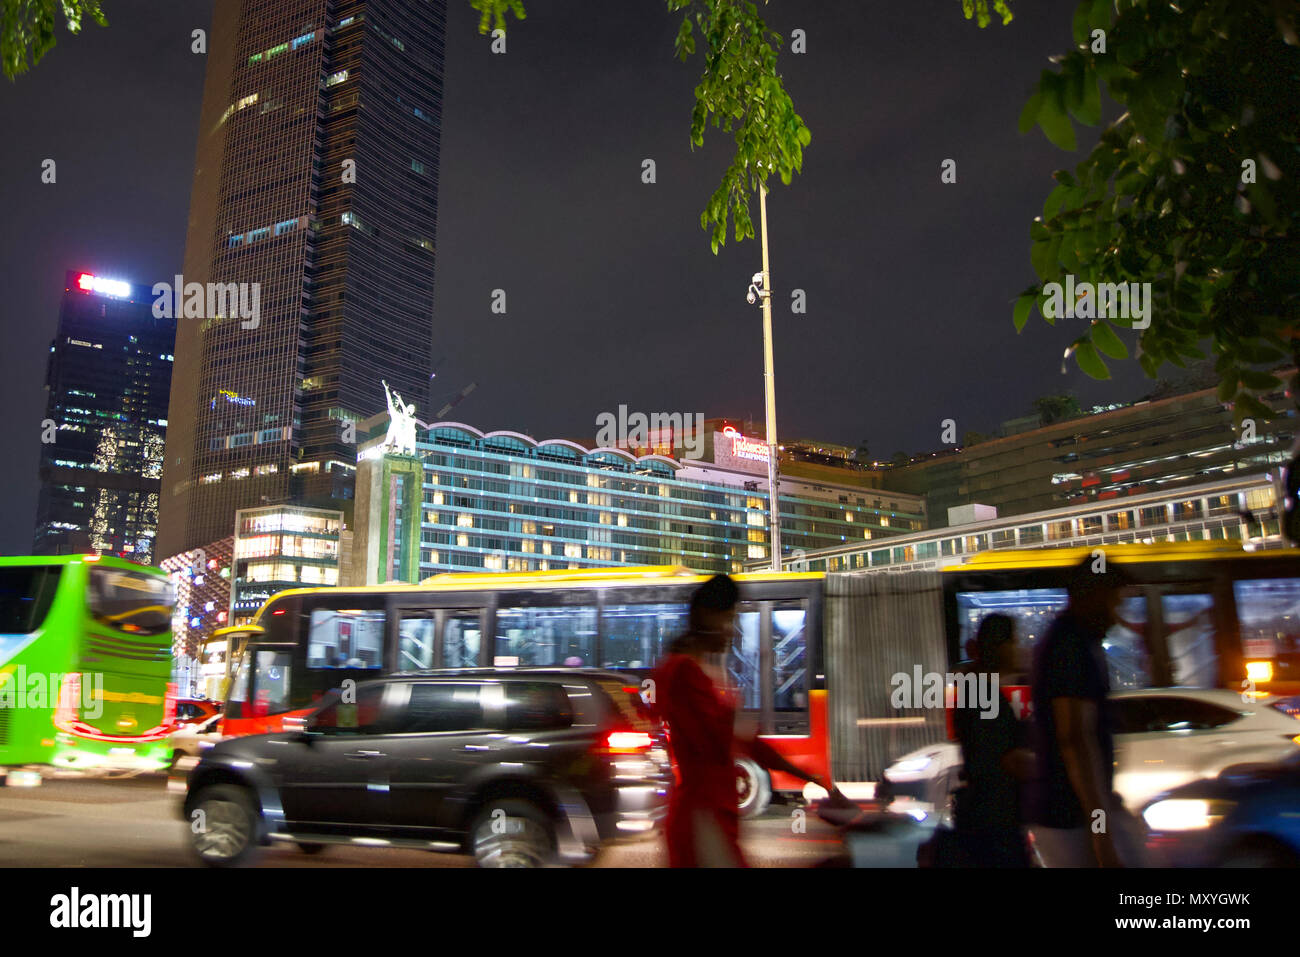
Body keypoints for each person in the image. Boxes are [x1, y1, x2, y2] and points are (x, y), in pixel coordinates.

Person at [652, 573, 847, 867]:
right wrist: (734, 717)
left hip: (712, 815)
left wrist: (810, 777)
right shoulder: (683, 673)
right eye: (728, 620)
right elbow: (719, 743)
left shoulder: (698, 671)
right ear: (707, 616)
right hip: (704, 817)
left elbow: (745, 742)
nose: (732, 632)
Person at [1028, 558, 1140, 867]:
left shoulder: (1073, 640)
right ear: (1093, 596)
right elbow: (1075, 741)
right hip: (1071, 819)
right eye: (1115, 603)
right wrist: (1101, 836)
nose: (1117, 618)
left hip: (1075, 816)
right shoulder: (1071, 645)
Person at [950, 613, 1034, 867]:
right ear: (1000, 646)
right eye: (1014, 641)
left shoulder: (974, 687)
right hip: (995, 818)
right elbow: (1006, 759)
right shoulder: (982, 696)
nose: (1019, 649)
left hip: (989, 815)